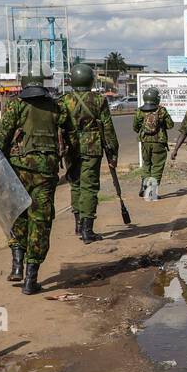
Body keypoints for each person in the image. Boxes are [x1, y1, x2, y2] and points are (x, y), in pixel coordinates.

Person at [0, 73, 72, 295]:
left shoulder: (16, 106)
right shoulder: (57, 108)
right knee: (40, 221)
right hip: (45, 173)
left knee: (18, 215)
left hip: (17, 171)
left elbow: (1, 139)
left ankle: (18, 261)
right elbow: (69, 138)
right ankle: (31, 279)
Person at [60, 62, 119, 242]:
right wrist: (113, 152)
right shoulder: (99, 100)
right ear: (91, 80)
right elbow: (108, 129)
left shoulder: (63, 101)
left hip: (71, 147)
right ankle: (87, 230)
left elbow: (59, 127)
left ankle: (78, 225)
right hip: (92, 147)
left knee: (76, 185)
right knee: (89, 186)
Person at [133, 88, 173, 197]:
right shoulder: (162, 110)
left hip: (145, 142)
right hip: (159, 142)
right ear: (157, 98)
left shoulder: (139, 111)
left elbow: (135, 127)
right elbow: (170, 125)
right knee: (157, 166)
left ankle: (145, 185)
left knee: (146, 164)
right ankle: (151, 192)